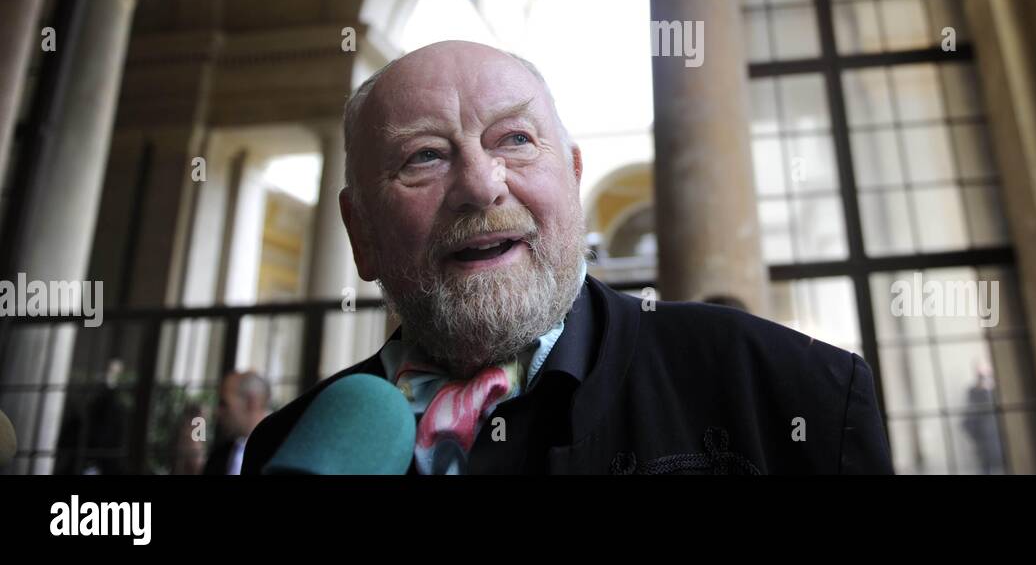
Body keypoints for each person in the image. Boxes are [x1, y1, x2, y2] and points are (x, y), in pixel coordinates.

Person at [243, 40, 892, 474]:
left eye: (516, 139)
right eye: (424, 156)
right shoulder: (289, 448)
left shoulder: (790, 392)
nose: (481, 184)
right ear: (361, 233)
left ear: (573, 179)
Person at [205, 370, 270, 475]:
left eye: (224, 404)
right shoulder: (218, 457)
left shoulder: (281, 453)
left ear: (251, 402)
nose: (217, 412)